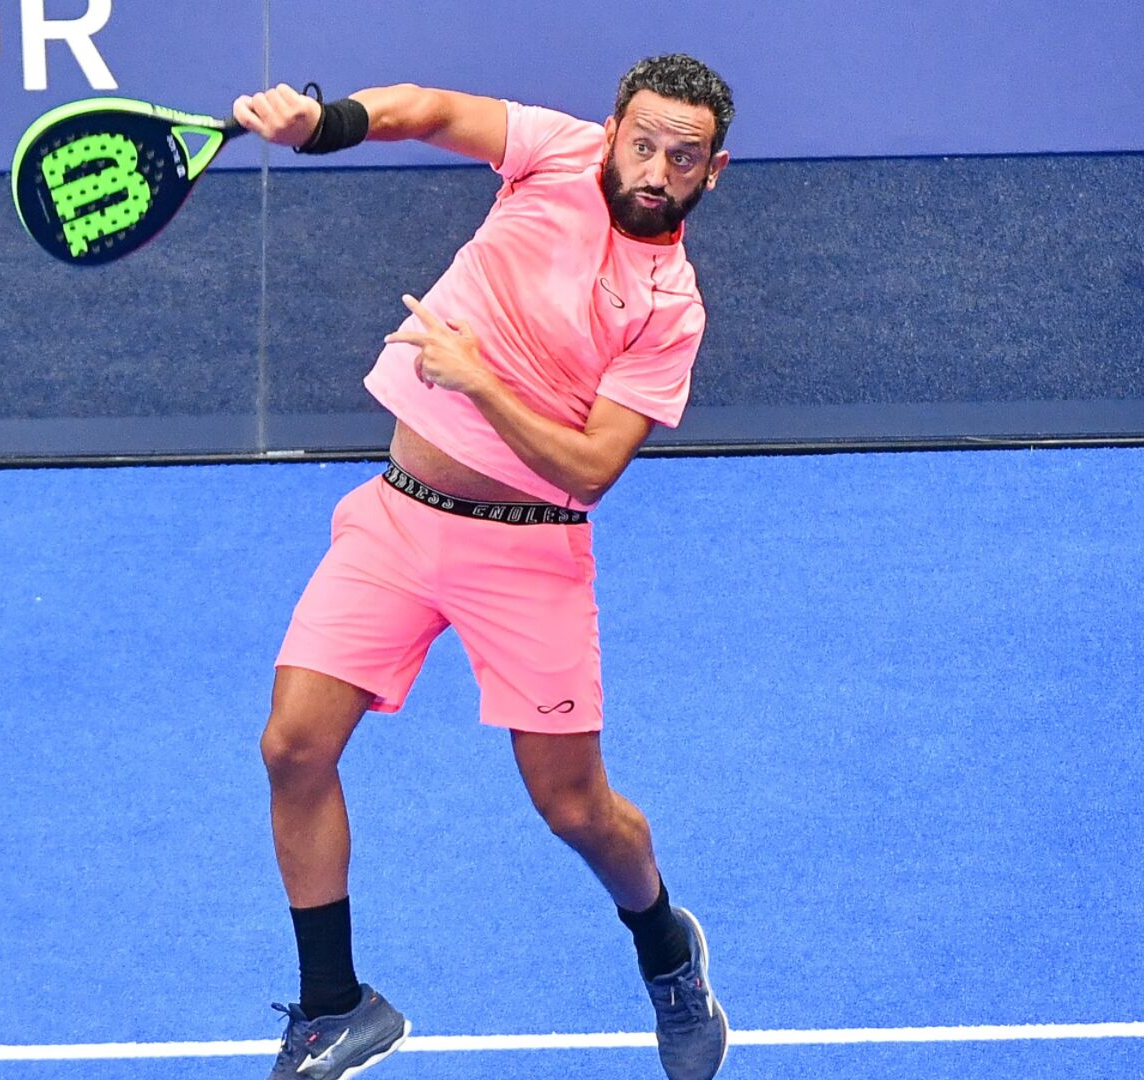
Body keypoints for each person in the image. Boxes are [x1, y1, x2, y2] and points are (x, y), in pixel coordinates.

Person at [231, 54, 735, 1080]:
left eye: (682, 157)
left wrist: (480, 380)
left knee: (575, 810)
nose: (654, 167)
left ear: (710, 173)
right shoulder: (553, 154)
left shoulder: (669, 306)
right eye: (642, 142)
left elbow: (592, 467)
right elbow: (428, 109)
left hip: (528, 555)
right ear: (612, 130)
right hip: (398, 518)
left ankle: (664, 947)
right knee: (292, 746)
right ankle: (335, 1006)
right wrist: (322, 126)